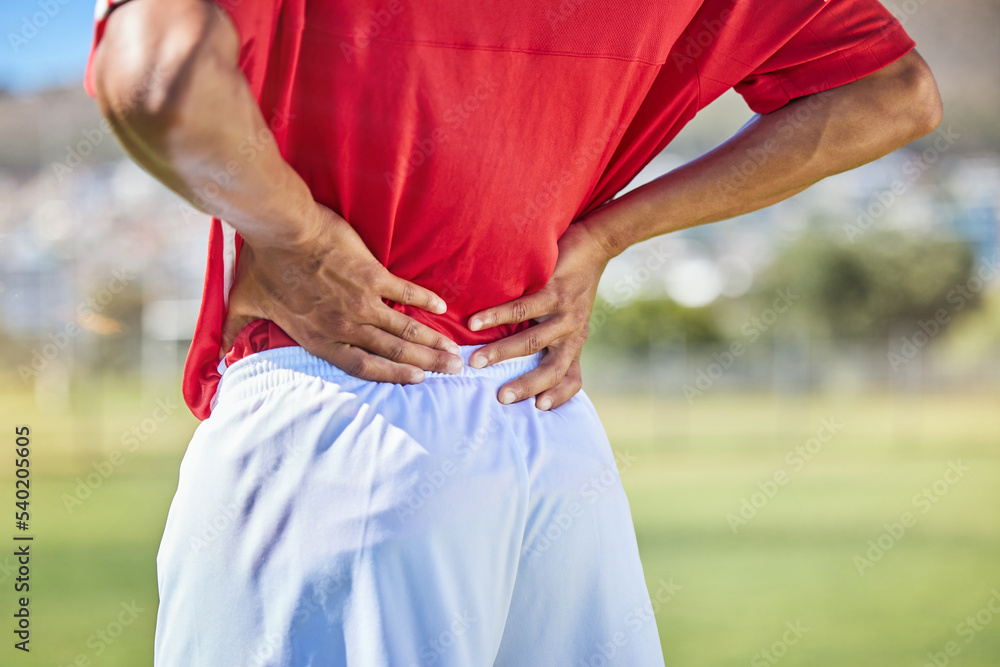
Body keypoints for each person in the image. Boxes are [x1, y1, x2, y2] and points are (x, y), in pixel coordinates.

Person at [86, 0, 942, 664]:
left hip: (338, 421)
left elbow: (157, 75)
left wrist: (298, 238)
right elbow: (896, 91)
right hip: (547, 430)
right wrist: (605, 233)